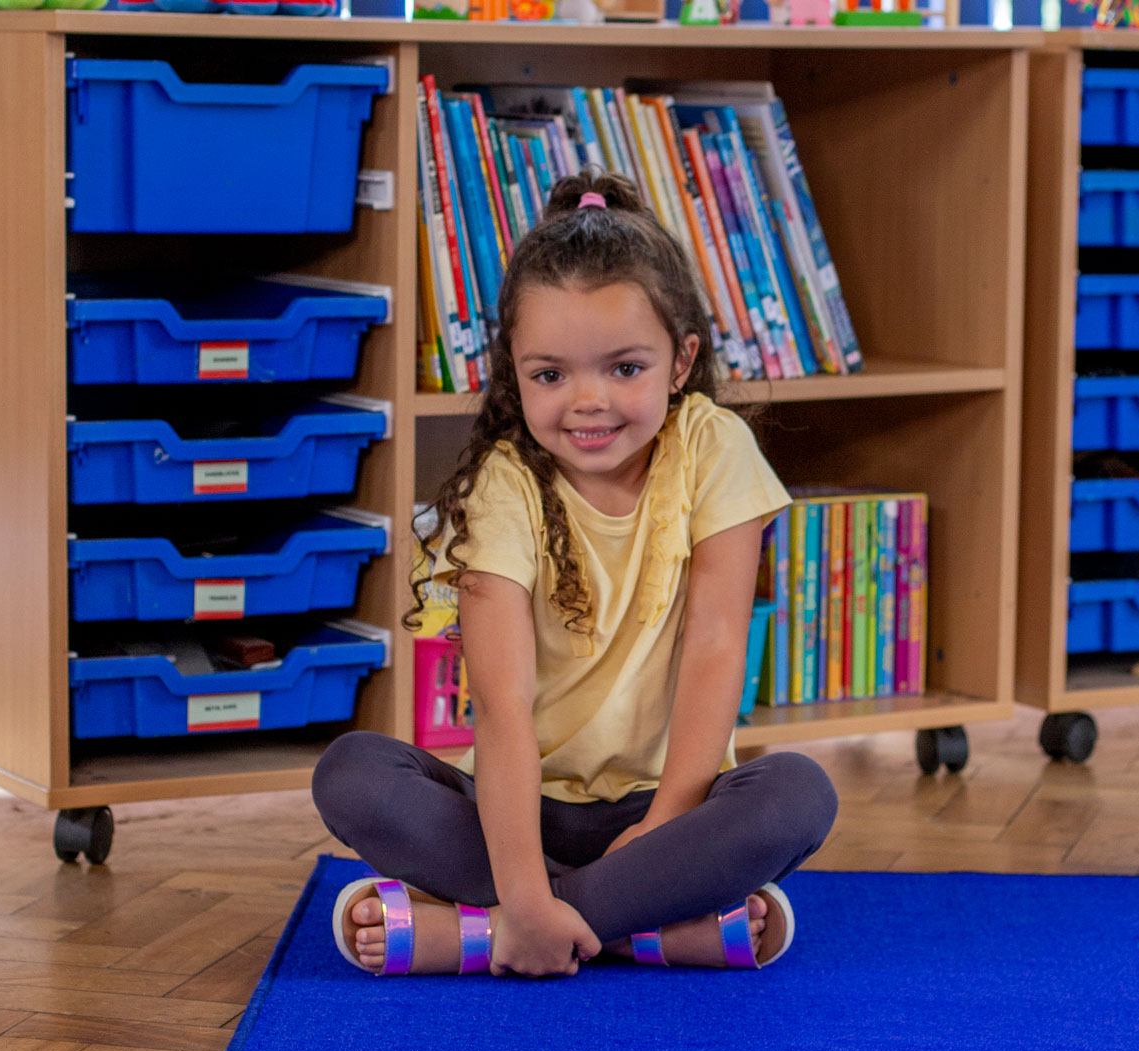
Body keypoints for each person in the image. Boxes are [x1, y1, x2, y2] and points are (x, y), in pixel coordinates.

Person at [311, 171, 837, 977]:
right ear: (514, 372)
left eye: (625, 368)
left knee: (796, 794)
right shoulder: (504, 483)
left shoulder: (713, 448)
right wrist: (523, 886)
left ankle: (484, 936)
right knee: (352, 774)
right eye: (551, 375)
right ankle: (631, 925)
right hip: (516, 815)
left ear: (680, 360)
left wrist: (662, 827)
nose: (588, 402)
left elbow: (717, 647)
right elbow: (500, 701)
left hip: (674, 809)